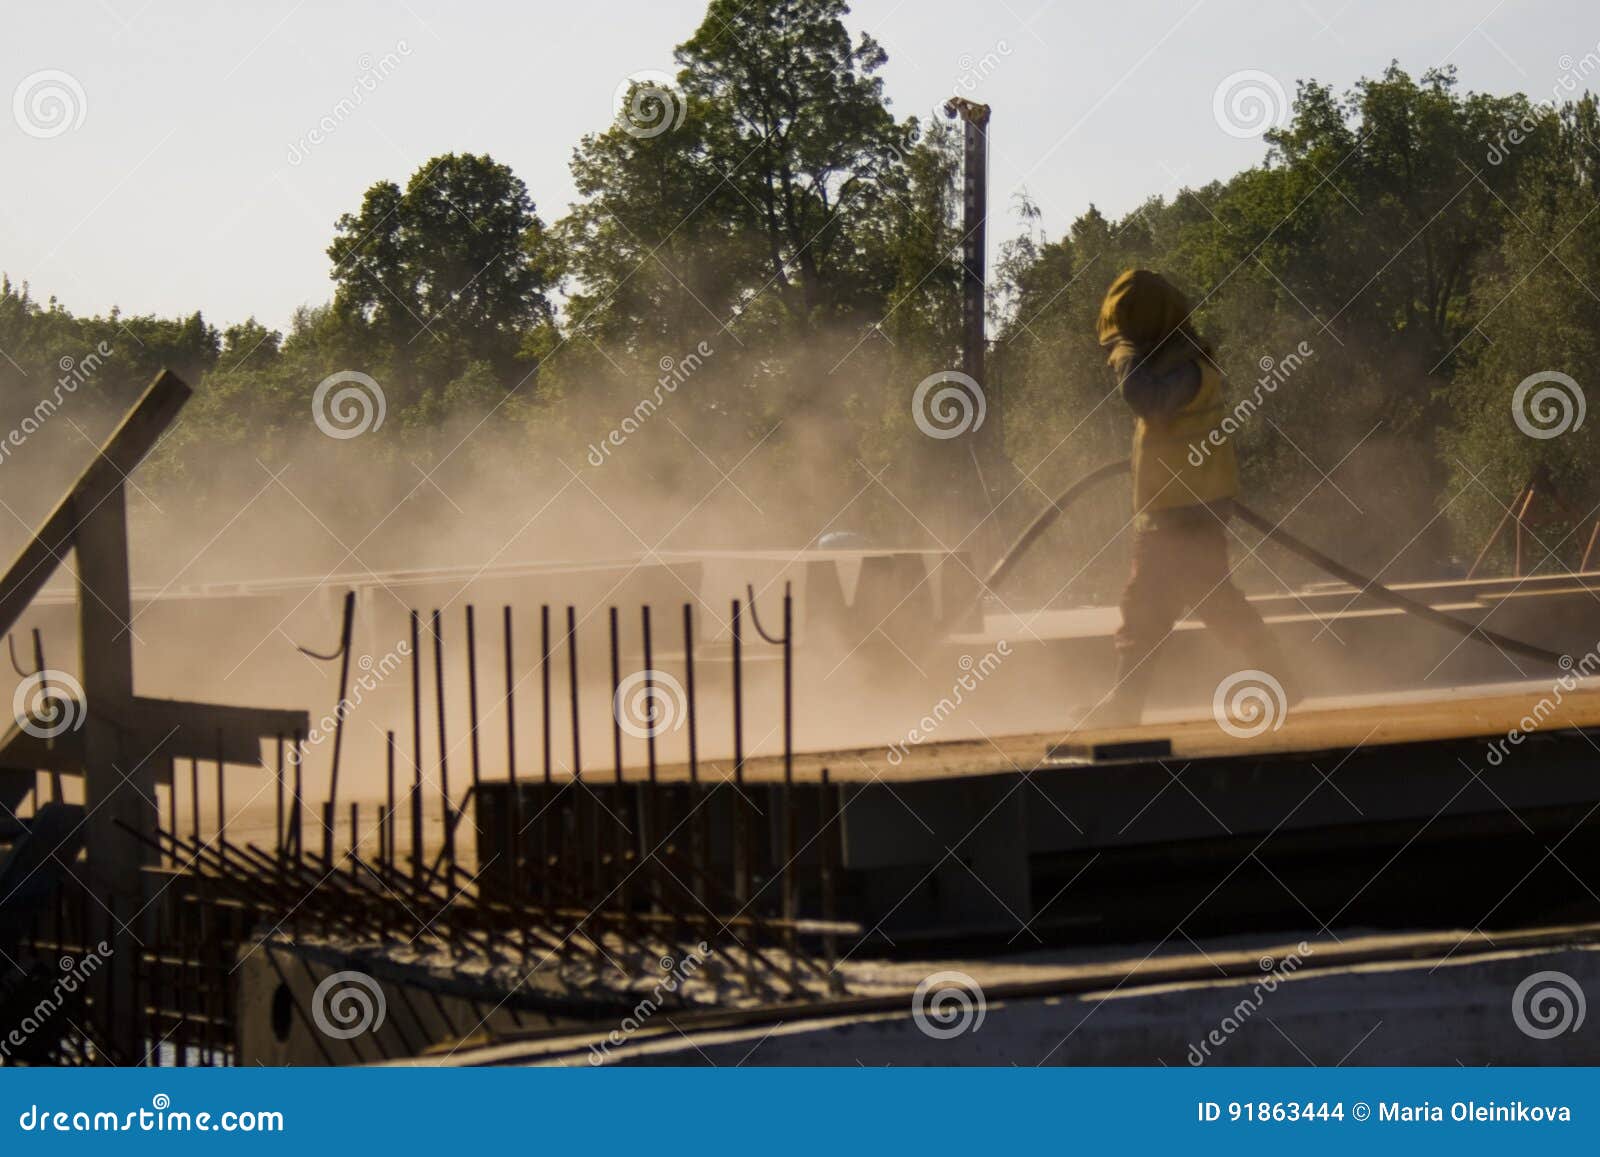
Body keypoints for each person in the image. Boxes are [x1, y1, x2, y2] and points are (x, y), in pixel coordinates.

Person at [1083, 268, 1297, 727]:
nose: (1119, 341)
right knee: (1208, 602)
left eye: (1126, 330)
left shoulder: (1186, 371)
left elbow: (1146, 400)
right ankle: (1281, 678)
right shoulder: (1176, 364)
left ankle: (1125, 708)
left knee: (1147, 606)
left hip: (1186, 512)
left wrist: (1125, 355)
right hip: (1178, 507)